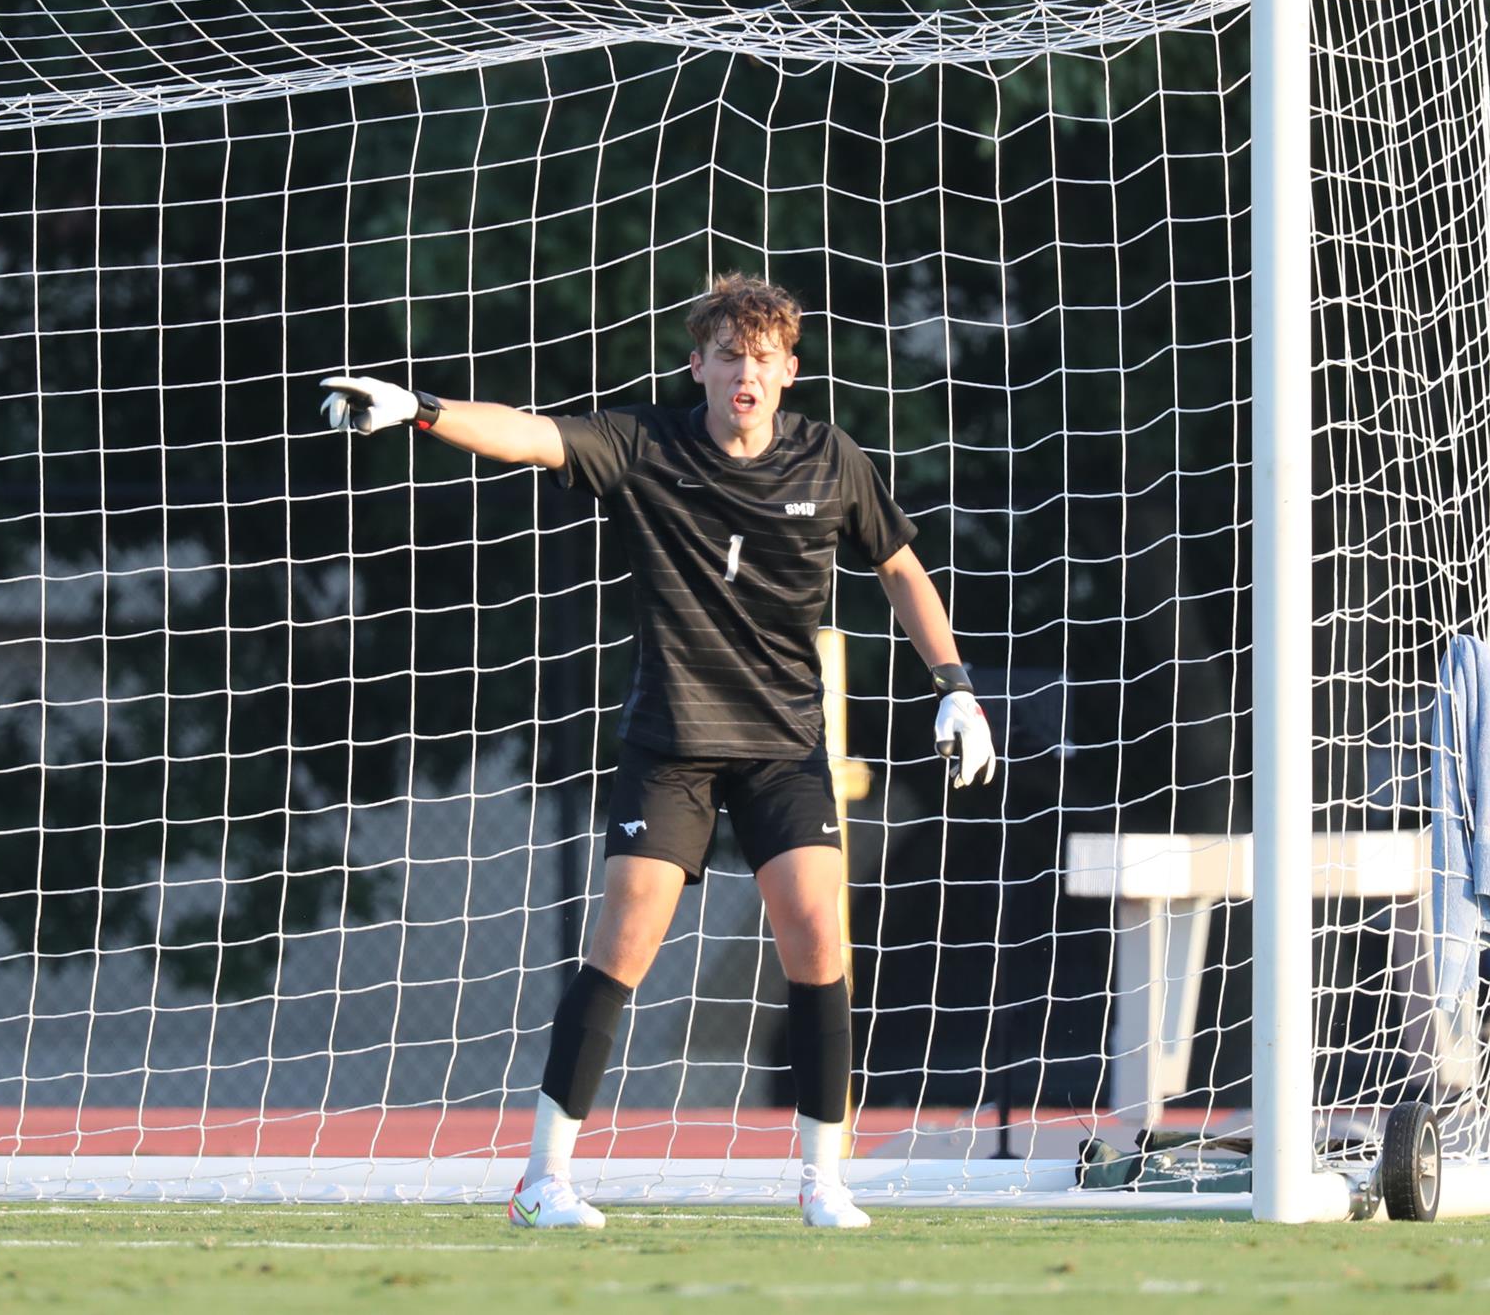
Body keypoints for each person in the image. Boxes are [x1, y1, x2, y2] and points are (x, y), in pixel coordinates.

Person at [320, 273, 995, 1231]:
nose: (746, 374)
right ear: (700, 367)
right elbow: (532, 432)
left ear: (790, 372)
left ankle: (822, 1182)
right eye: (729, 357)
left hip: (782, 747)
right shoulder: (646, 447)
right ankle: (542, 1180)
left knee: (817, 937)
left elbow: (899, 566)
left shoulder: (831, 460)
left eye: (763, 359)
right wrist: (421, 410)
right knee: (623, 948)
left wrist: (956, 687)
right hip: (671, 744)